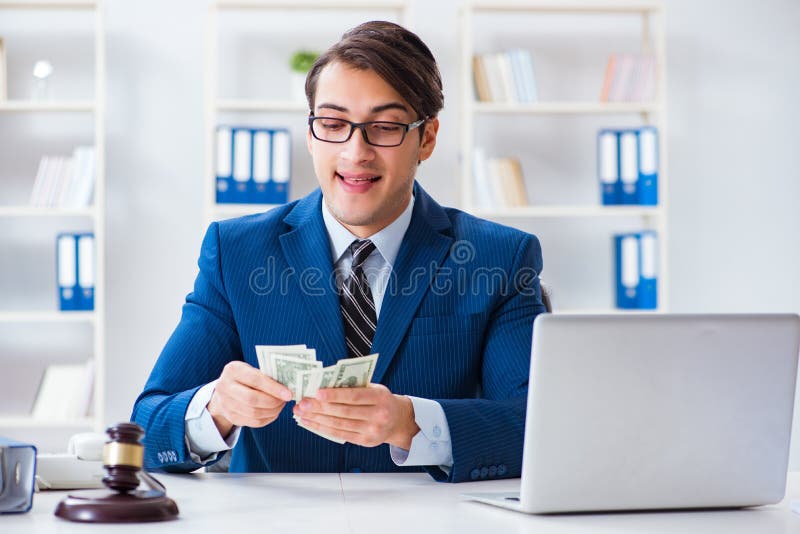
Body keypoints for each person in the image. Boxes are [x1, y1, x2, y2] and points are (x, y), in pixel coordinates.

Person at [132, 20, 546, 483]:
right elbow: (144, 428)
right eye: (333, 124)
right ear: (311, 134)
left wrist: (411, 423)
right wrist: (215, 410)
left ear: (427, 138)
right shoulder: (237, 253)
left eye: (384, 127)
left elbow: (537, 427)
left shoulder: (500, 259)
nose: (355, 152)